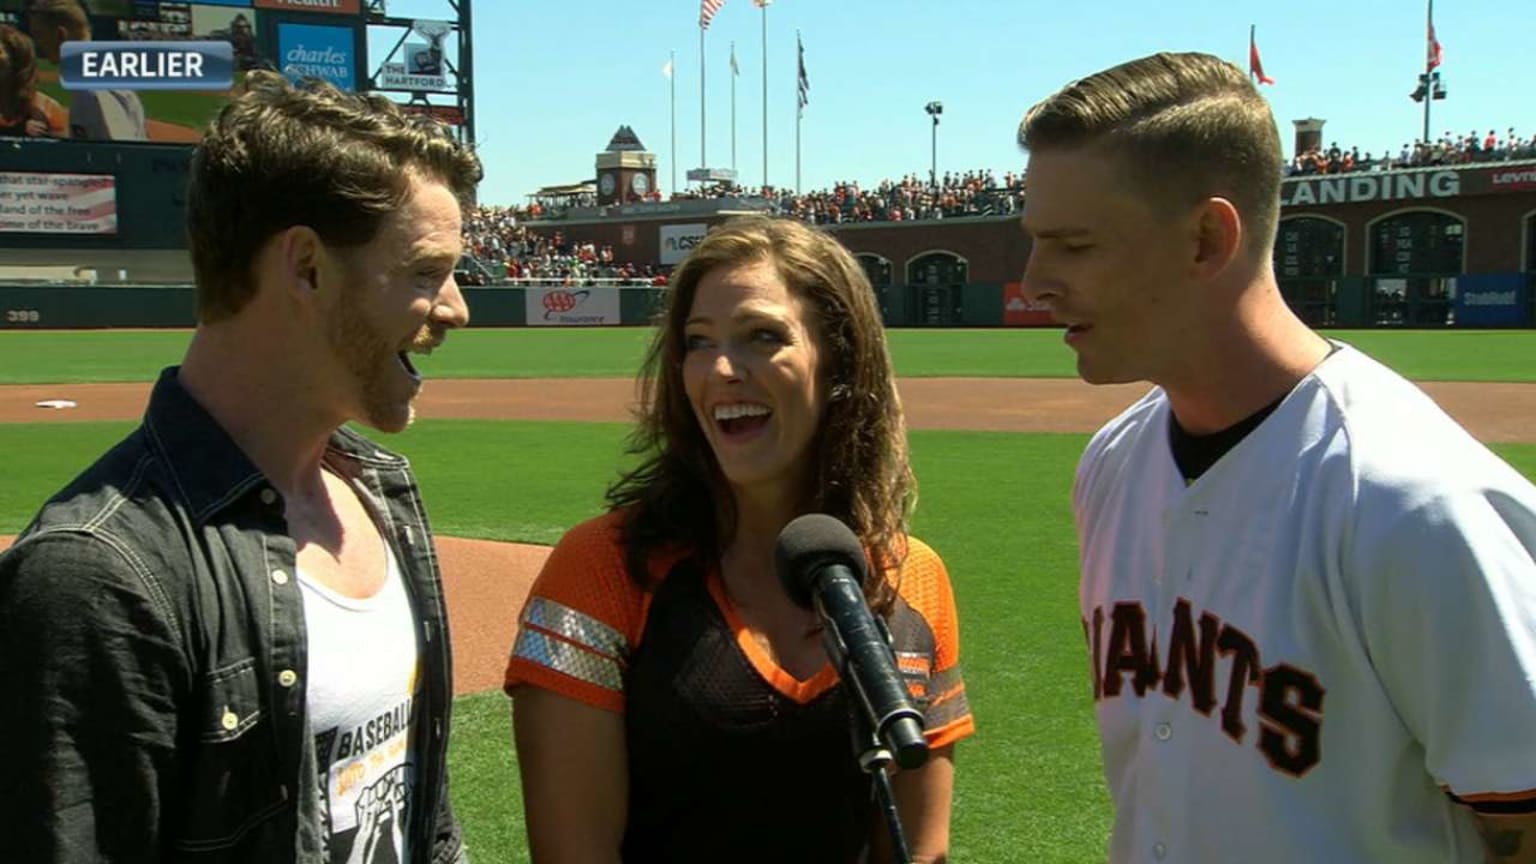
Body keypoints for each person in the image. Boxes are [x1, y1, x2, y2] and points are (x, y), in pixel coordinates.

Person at [1016, 51, 1536, 862]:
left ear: (1207, 238)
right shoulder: (1112, 463)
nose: (1034, 280)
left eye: (1073, 245)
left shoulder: (1411, 502)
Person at [0, 70, 481, 863]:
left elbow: (423, 823)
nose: (458, 307)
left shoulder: (379, 493)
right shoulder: (95, 580)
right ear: (306, 266)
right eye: (427, 271)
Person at [504, 215, 974, 863]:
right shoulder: (600, 568)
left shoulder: (912, 577)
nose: (722, 368)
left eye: (762, 337)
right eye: (698, 342)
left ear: (839, 359)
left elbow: (917, 850)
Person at [27, 0, 148, 140]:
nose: (37, 43)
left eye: (39, 35)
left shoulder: (92, 89)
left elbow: (119, 154)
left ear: (61, 35)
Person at [0, 24, 66, 137]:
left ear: (18, 62)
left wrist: (44, 135)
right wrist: (17, 130)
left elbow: (62, 148)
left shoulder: (46, 108)